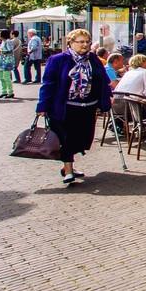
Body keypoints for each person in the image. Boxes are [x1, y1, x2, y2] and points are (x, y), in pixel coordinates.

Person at [37, 29, 112, 185]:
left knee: (82, 139)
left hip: (88, 106)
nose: (85, 45)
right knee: (66, 139)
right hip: (66, 107)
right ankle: (68, 170)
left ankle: (68, 165)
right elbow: (48, 83)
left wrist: (105, 100)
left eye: (87, 42)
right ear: (71, 43)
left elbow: (103, 80)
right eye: (81, 42)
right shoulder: (58, 60)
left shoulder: (93, 59)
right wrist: (42, 105)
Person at [0, 29, 16, 99]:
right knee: (2, 77)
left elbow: (9, 50)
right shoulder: (3, 42)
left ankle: (10, 92)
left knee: (6, 77)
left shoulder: (8, 41)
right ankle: (4, 91)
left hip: (7, 61)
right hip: (2, 61)